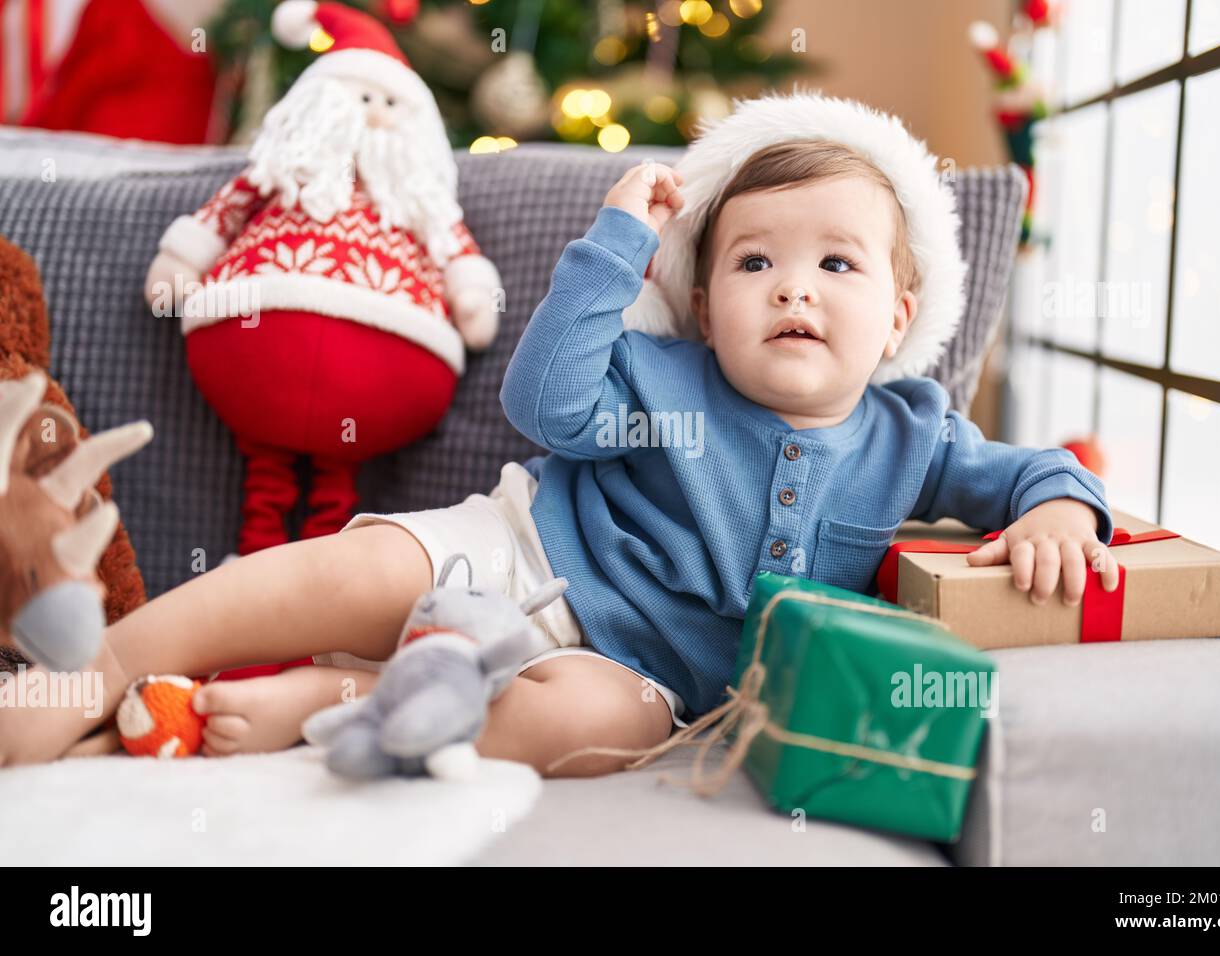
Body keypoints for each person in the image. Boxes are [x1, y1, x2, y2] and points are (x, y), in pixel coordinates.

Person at [0, 94, 1118, 775]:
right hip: (519, 551)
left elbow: (1029, 472)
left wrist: (1063, 509)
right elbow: (545, 407)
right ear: (703, 294)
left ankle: (344, 702)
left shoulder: (915, 435)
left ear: (899, 320)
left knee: (596, 730)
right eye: (753, 262)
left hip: (637, 670)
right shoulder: (661, 371)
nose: (793, 290)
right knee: (339, 569)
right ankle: (98, 669)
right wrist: (614, 246)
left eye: (836, 263)